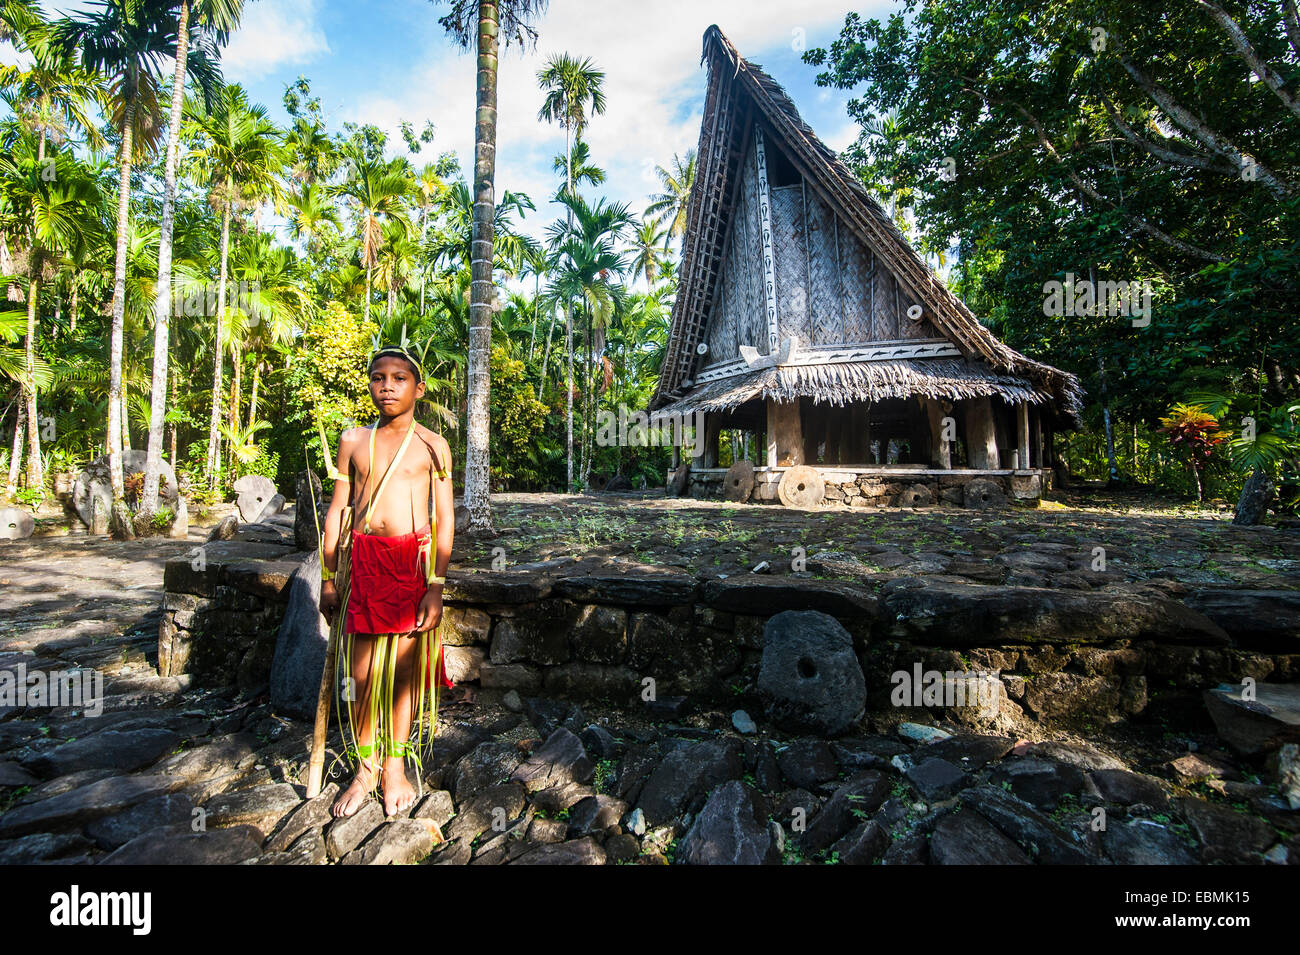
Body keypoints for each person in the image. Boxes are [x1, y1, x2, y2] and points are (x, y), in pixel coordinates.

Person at [318, 346, 455, 818]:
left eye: (400, 378)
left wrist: (435, 584)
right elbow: (338, 510)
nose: (387, 386)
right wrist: (328, 578)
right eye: (378, 377)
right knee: (357, 676)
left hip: (409, 568)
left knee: (400, 674)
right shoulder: (354, 440)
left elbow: (445, 517)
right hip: (362, 566)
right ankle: (365, 768)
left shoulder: (433, 445)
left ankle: (395, 765)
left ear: (418, 388)